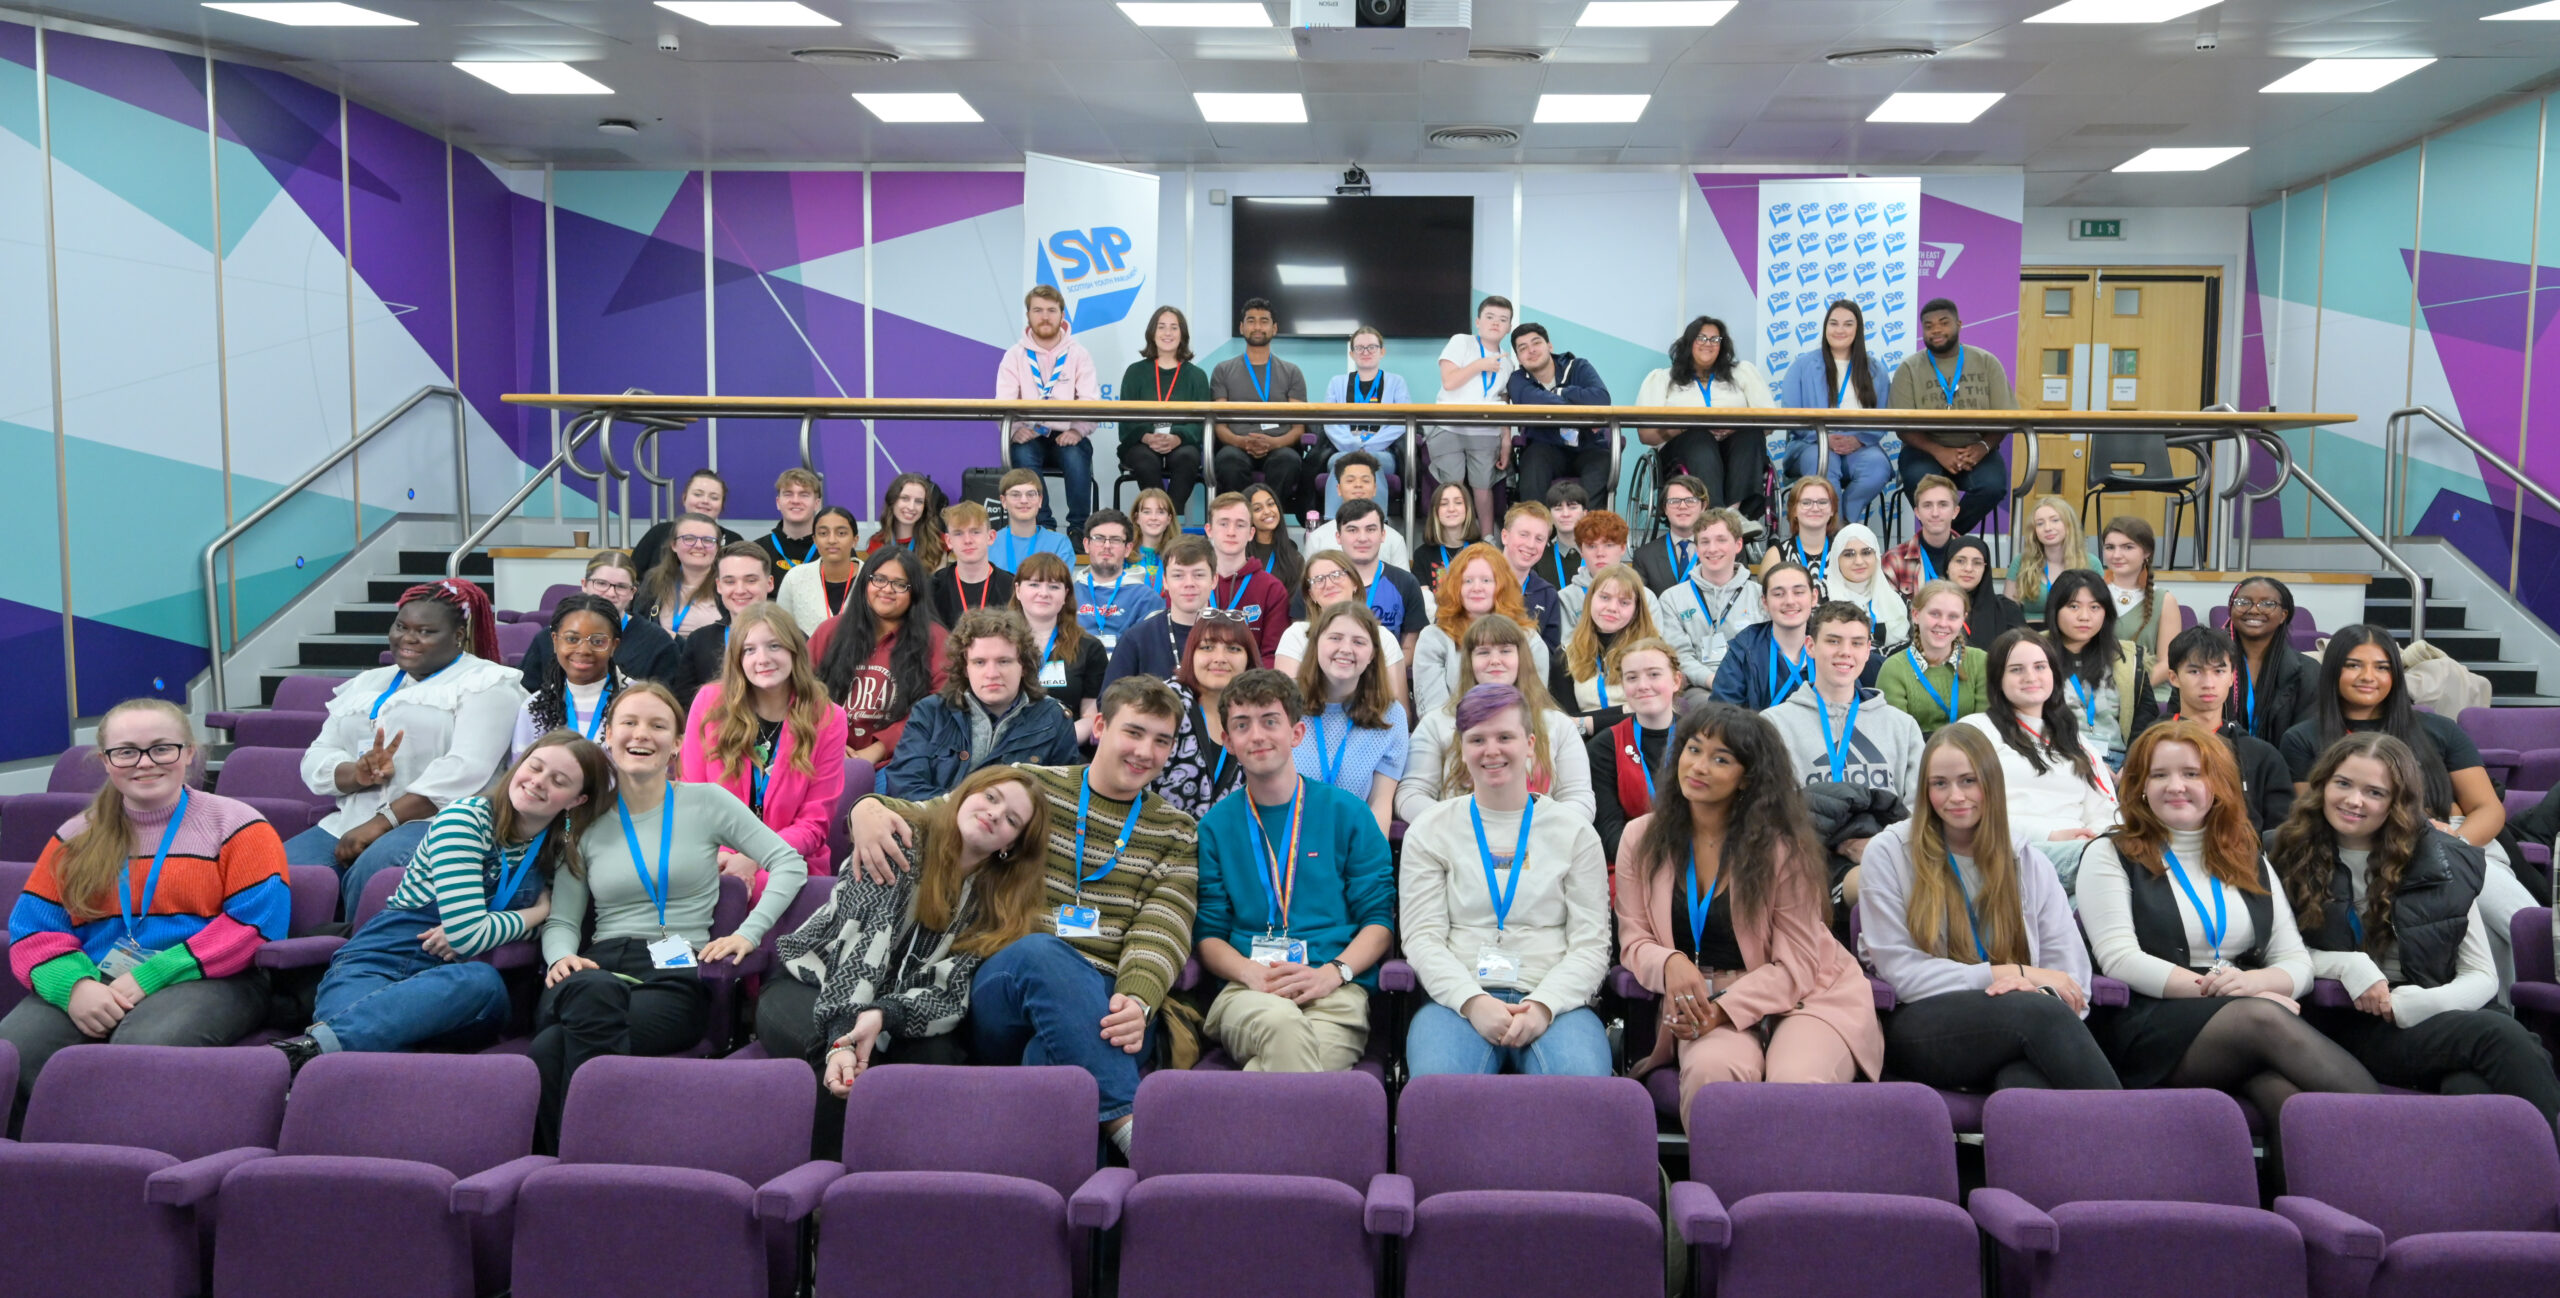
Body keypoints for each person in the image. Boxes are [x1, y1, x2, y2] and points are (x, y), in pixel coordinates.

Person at [841, 675, 1200, 1150]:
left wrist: (1137, 999)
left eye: (1161, 741)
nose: (1145, 752)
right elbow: (938, 814)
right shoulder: (1034, 791)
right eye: (1133, 732)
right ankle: (1138, 1135)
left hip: (1112, 997)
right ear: (1099, 727)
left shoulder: (1176, 829)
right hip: (1009, 982)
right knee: (1040, 952)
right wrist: (866, 806)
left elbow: (1164, 926)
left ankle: (1068, 1209)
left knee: (1048, 1059)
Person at [536, 683, 807, 1148]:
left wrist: (749, 932)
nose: (642, 734)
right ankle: (594, 1152)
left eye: (658, 725)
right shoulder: (580, 819)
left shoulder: (707, 802)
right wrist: (562, 958)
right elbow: (562, 920)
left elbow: (790, 862)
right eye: (629, 722)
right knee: (591, 994)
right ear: (609, 735)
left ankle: (566, 1159)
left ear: (677, 743)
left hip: (671, 970)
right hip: (595, 968)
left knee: (550, 1046)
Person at [2077, 721, 2376, 1130]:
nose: (2175, 786)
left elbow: (2295, 961)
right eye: (2159, 774)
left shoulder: (2246, 853)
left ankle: (2309, 1192)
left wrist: (2256, 986)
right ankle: (2401, 1136)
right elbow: (2119, 959)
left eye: (2191, 774)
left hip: (2240, 1013)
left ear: (2217, 784)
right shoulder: (2110, 853)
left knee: (2283, 1097)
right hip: (2148, 1021)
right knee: (2263, 1021)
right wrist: (2231, 997)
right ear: (2141, 786)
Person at [2, 701, 289, 1115]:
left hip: (214, 977)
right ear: (105, 761)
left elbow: (254, 926)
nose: (145, 763)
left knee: (141, 1050)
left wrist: (151, 976)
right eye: (126, 751)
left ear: (189, 753)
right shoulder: (76, 835)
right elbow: (34, 931)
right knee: (13, 1052)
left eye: (162, 748)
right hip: (97, 977)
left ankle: (116, 1165)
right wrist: (76, 988)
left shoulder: (239, 826)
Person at [2270, 734, 2560, 1124]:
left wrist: (2417, 1005)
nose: (2354, 800)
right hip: (2345, 1023)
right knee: (2503, 1038)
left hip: (2434, 1012)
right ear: (2322, 784)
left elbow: (2481, 975)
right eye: (2343, 784)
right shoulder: (2282, 852)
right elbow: (2267, 954)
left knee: (2471, 1090)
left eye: (2374, 792)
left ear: (2396, 801)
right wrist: (2345, 965)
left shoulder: (2443, 858)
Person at [274, 734, 607, 1069]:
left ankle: (309, 1054)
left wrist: (490, 928)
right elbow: (470, 934)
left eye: (558, 781)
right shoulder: (465, 819)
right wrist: (537, 912)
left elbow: (517, 933)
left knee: (479, 982)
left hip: (461, 988)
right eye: (534, 767)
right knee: (366, 1054)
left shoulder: (560, 849)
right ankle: (316, 1054)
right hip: (380, 964)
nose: (538, 782)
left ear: (576, 800)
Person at [1616, 704, 1883, 1119]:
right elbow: (1634, 939)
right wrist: (1669, 963)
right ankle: (1717, 1184)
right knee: (1711, 1075)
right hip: (1704, 1000)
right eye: (1693, 749)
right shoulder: (1640, 837)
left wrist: (1725, 1008)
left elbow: (1798, 965)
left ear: (1748, 779)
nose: (1698, 766)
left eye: (1720, 759)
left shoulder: (1781, 846)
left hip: (1808, 993)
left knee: (1794, 1082)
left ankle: (1791, 1186)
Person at [760, 764, 1051, 1145]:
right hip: (812, 984)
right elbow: (859, 948)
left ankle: (915, 1184)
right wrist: (844, 1036)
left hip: (895, 1008)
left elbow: (950, 990)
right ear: (964, 795)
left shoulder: (1003, 903)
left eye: (1012, 819)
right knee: (846, 1062)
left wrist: (886, 1015)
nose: (995, 814)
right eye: (990, 797)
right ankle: (827, 1189)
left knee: (939, 1067)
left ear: (1012, 843)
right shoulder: (899, 843)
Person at [1859, 725, 2119, 1095]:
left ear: (1992, 784)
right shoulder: (1888, 853)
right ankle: (2132, 1139)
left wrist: (2033, 988)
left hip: (2020, 1019)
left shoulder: (2027, 860)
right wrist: (2009, 975)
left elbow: (2069, 976)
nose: (1956, 796)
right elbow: (1902, 974)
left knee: (2024, 1083)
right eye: (1940, 784)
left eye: (1969, 780)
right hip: (1920, 1024)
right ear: (1924, 790)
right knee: (2039, 1017)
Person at [2280, 626, 2530, 992]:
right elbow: (2317, 815)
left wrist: (2452, 844)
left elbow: (2487, 809)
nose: (2369, 677)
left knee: (2517, 923)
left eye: (2382, 667)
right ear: (2333, 671)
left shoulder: (2439, 729)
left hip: (2458, 839)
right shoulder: (2302, 738)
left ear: (2396, 675)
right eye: (2354, 665)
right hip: (2365, 849)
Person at [1401, 684, 1613, 1077]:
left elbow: (1592, 944)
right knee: (1440, 1091)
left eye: (1505, 737)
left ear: (1530, 744)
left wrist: (1544, 1005)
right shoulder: (1430, 830)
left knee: (1580, 1092)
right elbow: (1422, 938)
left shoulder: (1574, 832)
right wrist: (1473, 1002)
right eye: (1477, 739)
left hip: (1556, 1003)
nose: (1491, 750)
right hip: (1458, 1004)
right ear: (1461, 750)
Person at [1195, 669, 1397, 1072]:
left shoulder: (1349, 814)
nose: (1257, 736)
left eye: (1270, 721)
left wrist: (1332, 973)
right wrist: (1250, 973)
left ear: (1297, 733)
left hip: (1333, 991)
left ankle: (1236, 1128)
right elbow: (1209, 935)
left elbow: (1378, 922)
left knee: (1282, 1073)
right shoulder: (1214, 827)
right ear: (1227, 741)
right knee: (1284, 1028)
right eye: (1242, 725)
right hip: (1247, 991)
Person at [289, 580, 524, 908]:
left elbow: (465, 770)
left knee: (376, 872)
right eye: (401, 626)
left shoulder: (488, 684)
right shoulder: (368, 682)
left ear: (458, 636)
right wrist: (357, 773)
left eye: (426, 631)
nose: (408, 638)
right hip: (350, 819)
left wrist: (379, 824)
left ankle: (358, 955)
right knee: (284, 874)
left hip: (435, 824)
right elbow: (318, 753)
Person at [679, 603, 849, 885]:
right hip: (714, 857)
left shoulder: (828, 718)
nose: (762, 659)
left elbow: (813, 824)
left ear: (795, 651)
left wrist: (754, 857)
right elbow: (691, 802)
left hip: (790, 862)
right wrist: (727, 859)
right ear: (737, 659)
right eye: (749, 650)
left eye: (774, 646)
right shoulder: (709, 704)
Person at [1958, 629, 2119, 889]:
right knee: (2112, 868)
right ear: (1997, 678)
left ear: (2054, 674)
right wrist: (2050, 835)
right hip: (2010, 853)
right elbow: (1967, 812)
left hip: (2082, 855)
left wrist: (2098, 838)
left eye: (2040, 667)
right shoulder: (1976, 731)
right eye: (2016, 669)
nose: (2030, 677)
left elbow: (2105, 810)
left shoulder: (2074, 739)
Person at [1399, 613, 1596, 825]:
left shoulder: (1558, 725)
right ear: (1469, 662)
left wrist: (1537, 827)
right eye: (1483, 652)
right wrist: (1458, 825)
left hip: (1540, 845)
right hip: (1460, 844)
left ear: (1522, 658)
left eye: (1505, 650)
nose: (1495, 660)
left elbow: (1579, 799)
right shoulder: (1436, 723)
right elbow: (1410, 796)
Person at [883, 607, 1082, 800]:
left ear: (1024, 666)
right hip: (934, 827)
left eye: (1004, 661)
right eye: (979, 662)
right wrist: (961, 816)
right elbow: (904, 786)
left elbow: (1060, 801)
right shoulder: (930, 712)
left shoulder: (1054, 719)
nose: (992, 674)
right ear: (964, 668)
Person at [1763, 602, 1925, 803]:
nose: (1845, 652)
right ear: (1810, 646)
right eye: (1833, 641)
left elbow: (1917, 811)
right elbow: (1769, 807)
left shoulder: (1902, 727)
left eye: (1856, 643)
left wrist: (1886, 837)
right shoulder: (1774, 725)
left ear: (1867, 651)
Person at [1887, 298, 2019, 533]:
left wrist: (1982, 447)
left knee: (1993, 486)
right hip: (1925, 449)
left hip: (1978, 448)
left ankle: (1946, 537)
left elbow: (2006, 418)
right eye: (1928, 326)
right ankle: (1944, 540)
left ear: (1959, 324)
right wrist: (1939, 451)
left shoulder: (1987, 362)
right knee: (1918, 482)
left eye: (1943, 323)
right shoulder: (1909, 369)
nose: (1936, 330)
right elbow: (1902, 428)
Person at [811, 548, 947, 768]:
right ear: (866, 582)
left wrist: (879, 749)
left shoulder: (936, 640)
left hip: (899, 762)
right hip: (825, 753)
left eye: (900, 584)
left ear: (915, 593)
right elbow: (801, 692)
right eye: (879, 579)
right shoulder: (830, 632)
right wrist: (826, 740)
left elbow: (939, 708)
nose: (887, 590)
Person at [1636, 316, 1776, 522]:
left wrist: (1733, 427)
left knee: (1751, 432)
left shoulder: (1743, 373)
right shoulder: (1663, 378)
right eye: (1701, 338)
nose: (1708, 344)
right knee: (1699, 436)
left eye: (1714, 340)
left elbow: (1770, 422)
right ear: (1688, 342)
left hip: (1735, 450)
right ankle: (1714, 514)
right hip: (1684, 451)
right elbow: (1646, 435)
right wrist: (1687, 427)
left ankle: (1734, 514)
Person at [1289, 602, 1409, 834]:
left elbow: (1379, 804)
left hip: (1350, 846)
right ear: (1316, 644)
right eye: (1335, 638)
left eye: (1358, 642)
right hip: (1287, 844)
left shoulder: (1390, 714)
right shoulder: (1284, 703)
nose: (1346, 649)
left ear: (1373, 654)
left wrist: (1374, 866)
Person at [2164, 626, 2295, 832]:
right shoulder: (2151, 747)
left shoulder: (2262, 756)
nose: (2208, 683)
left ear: (2232, 677)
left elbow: (2280, 833)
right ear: (2174, 678)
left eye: (2218, 671)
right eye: (2195, 671)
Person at [1778, 300, 1897, 524]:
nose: (1840, 330)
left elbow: (1883, 416)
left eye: (1848, 324)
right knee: (1823, 462)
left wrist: (1859, 440)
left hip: (1859, 446)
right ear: (1825, 328)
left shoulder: (1875, 370)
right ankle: (1836, 530)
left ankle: (1844, 520)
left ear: (1858, 330)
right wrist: (1824, 439)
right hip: (1811, 444)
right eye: (1833, 323)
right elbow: (1791, 414)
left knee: (1877, 467)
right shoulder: (1802, 366)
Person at [997, 284, 1100, 535]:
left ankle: (1079, 530)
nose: (1045, 317)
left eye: (1051, 310)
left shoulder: (1079, 354)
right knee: (1021, 452)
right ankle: (1042, 526)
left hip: (1067, 434)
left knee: (1075, 455)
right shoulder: (1014, 355)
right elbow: (1002, 403)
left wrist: (1077, 431)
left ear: (1062, 315)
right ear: (1028, 315)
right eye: (1038, 310)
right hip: (1030, 434)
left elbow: (1091, 402)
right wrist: (1014, 430)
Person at [1412, 542, 1553, 716]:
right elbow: (1433, 715)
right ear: (1456, 587)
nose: (1476, 588)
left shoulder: (1529, 640)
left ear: (1501, 586)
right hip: (1451, 738)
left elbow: (1534, 710)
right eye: (1467, 581)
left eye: (1486, 580)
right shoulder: (1433, 638)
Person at [516, 550, 680, 689]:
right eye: (601, 583)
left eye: (621, 586)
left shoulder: (657, 643)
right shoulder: (549, 638)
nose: (610, 593)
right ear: (584, 584)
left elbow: (667, 702)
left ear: (632, 593)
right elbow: (526, 693)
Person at [1586, 637, 1684, 868]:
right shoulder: (1604, 747)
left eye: (1654, 674)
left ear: (1676, 680)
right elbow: (1609, 830)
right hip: (1633, 862)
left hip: (1695, 863)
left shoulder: (1703, 738)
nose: (1642, 685)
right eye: (1632, 678)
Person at [2045, 568, 2158, 769]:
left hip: (2118, 762)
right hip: (2057, 760)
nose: (2084, 616)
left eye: (2095, 607)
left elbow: (2146, 719)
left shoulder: (2126, 658)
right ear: (2055, 609)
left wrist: (2130, 768)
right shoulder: (2034, 652)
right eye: (2073, 607)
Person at [1155, 613, 1262, 818]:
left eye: (1233, 648)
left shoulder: (1254, 718)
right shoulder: (1164, 703)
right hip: (1159, 841)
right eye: (1207, 647)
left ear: (1248, 659)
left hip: (1223, 844)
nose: (1220, 659)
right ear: (1190, 654)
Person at [1209, 299, 1311, 508]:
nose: (1257, 327)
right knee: (1228, 462)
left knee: (1288, 461)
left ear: (1274, 328)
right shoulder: (1223, 370)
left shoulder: (1292, 372)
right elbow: (1219, 426)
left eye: (1264, 321)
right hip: (1235, 445)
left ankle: (1270, 525)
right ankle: (1240, 523)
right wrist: (1241, 442)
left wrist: (1274, 443)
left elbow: (1298, 428)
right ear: (1241, 327)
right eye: (1251, 321)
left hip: (1279, 445)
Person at [1506, 322, 1614, 506]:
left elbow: (1601, 399)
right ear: (1519, 359)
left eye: (1536, 343)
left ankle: (1588, 531)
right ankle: (1537, 530)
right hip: (1546, 447)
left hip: (1587, 445)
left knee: (1603, 460)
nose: (1531, 350)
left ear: (1549, 346)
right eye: (1523, 348)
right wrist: (1582, 411)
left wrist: (1561, 392)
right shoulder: (1517, 379)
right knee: (1533, 459)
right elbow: (1535, 401)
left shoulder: (1578, 366)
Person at [1654, 506, 1762, 690]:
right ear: (1696, 548)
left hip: (1751, 685)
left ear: (1738, 545)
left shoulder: (1759, 595)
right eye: (1704, 542)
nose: (1712, 549)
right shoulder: (1672, 599)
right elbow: (1680, 656)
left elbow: (1765, 651)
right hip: (1698, 688)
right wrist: (1713, 680)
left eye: (1721, 540)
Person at [1432, 296, 1517, 529]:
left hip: (1486, 432)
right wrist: (1479, 365)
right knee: (1452, 487)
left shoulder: (1509, 363)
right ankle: (1451, 538)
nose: (1496, 323)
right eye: (1490, 317)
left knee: (1483, 487)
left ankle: (1487, 539)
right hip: (1449, 426)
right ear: (1478, 322)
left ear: (1509, 327)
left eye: (1503, 319)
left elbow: (1504, 402)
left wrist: (1506, 439)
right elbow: (1449, 381)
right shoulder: (1461, 342)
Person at [1274, 551, 1408, 696]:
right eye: (1318, 580)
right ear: (1311, 595)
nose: (1329, 584)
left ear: (1355, 583)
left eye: (1337, 575)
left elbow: (1399, 707)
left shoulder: (1384, 638)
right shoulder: (1296, 635)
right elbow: (1287, 704)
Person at [1118, 305, 1210, 516]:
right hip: (1142, 444)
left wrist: (1178, 437)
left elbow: (1201, 423)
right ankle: (1159, 520)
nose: (1167, 333)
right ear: (1152, 333)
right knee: (1145, 460)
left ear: (1182, 334)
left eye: (1174, 328)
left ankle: (1170, 522)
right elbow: (1126, 423)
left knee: (1187, 457)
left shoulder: (1197, 376)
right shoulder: (1135, 372)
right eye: (1161, 327)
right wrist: (1147, 437)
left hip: (1183, 445)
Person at [1557, 563, 1667, 736]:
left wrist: (1586, 722)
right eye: (1605, 597)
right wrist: (1625, 710)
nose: (1612, 608)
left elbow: (1654, 711)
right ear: (1590, 599)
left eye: (1624, 602)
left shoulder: (1653, 651)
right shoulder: (1566, 653)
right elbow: (1565, 722)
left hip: (1641, 740)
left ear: (1636, 609)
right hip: (1586, 747)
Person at [513, 594, 626, 761]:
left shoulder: (636, 701)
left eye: (597, 641)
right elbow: (521, 771)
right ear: (555, 641)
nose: (583, 650)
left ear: (613, 646)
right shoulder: (535, 708)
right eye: (572, 639)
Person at [666, 542, 776, 709]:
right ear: (719, 586)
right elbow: (684, 706)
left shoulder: (792, 639)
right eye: (730, 581)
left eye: (751, 580)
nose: (740, 590)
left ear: (769, 583)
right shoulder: (700, 641)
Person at [1016, 553, 1111, 744]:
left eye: (1053, 586)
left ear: (1066, 594)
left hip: (1064, 745)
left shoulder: (1089, 648)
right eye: (1034, 584)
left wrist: (1056, 741)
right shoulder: (999, 643)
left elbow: (1090, 714)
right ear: (1018, 590)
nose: (1043, 593)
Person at [1878, 580, 1986, 737]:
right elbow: (1896, 737)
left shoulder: (1981, 662)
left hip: (1971, 754)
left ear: (1963, 619)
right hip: (1915, 757)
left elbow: (1986, 729)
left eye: (1953, 616)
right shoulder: (1894, 669)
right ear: (1915, 615)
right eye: (1934, 614)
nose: (1943, 623)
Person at [1106, 534, 1215, 688]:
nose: (1189, 583)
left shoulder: (1234, 634)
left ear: (1214, 580)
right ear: (1165, 581)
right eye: (1178, 575)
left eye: (1199, 575)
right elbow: (1109, 700)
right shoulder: (1136, 639)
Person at [1320, 328, 1411, 511]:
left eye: (1371, 347)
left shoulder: (1396, 382)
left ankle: (1378, 525)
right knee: (1340, 463)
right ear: (1352, 353)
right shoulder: (1336, 382)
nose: (1366, 352)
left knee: (1372, 461)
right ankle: (1333, 524)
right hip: (1343, 449)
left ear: (1382, 351)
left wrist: (1369, 447)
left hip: (1383, 451)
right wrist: (1354, 445)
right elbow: (1330, 421)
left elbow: (1402, 422)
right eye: (1360, 348)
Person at [1709, 563, 1819, 711]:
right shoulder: (1743, 651)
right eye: (1778, 594)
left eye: (1799, 592)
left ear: (1813, 597)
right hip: (1757, 733)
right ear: (1765, 602)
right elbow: (1721, 714)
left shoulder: (1832, 647)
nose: (1790, 601)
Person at [1332, 499, 1430, 666]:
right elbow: (1304, 640)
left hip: (1386, 680)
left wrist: (1379, 675)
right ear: (1338, 537)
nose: (1362, 538)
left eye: (1370, 529)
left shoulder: (1406, 583)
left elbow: (1409, 648)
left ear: (1383, 535)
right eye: (1352, 530)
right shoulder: (1321, 582)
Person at [2225, 576, 2315, 745]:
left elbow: (2307, 741)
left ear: (2283, 615)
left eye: (2267, 604)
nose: (2254, 610)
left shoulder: (2308, 672)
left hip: (2282, 767)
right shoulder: (2208, 666)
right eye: (2243, 602)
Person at [1203, 492, 1292, 662]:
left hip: (1250, 685)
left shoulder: (1272, 589)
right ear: (1209, 530)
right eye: (1223, 523)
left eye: (1240, 525)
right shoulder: (1192, 583)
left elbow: (1272, 656)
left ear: (1251, 533)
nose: (1231, 532)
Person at [1555, 508, 1663, 638]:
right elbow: (1566, 649)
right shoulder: (1566, 598)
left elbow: (1653, 645)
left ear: (1623, 548)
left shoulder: (1645, 596)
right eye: (1591, 546)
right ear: (1581, 551)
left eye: (1609, 545)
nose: (1600, 553)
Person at [2100, 516, 2178, 687]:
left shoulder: (2164, 600)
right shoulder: (2091, 593)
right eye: (2110, 547)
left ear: (2147, 552)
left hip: (2149, 695)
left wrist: (2131, 692)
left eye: (2128, 547)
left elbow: (2167, 663)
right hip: (2098, 694)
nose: (2117, 555)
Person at [1300, 452, 1414, 569]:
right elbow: (1307, 583)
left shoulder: (1394, 539)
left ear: (1374, 489)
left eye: (1365, 480)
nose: (1358, 485)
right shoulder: (1318, 538)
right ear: (1339, 489)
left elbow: (1403, 585)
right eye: (1350, 480)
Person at [1073, 509, 1163, 653]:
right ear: (1086, 544)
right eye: (1099, 538)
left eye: (1115, 540)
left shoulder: (1147, 599)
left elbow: (1151, 654)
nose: (1107, 545)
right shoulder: (1067, 595)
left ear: (1128, 548)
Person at [628, 469, 741, 582]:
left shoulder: (734, 541)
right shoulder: (659, 533)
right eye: (698, 494)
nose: (705, 501)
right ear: (684, 498)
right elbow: (632, 578)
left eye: (714, 497)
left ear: (722, 505)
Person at [634, 511, 724, 641]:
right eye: (689, 539)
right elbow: (639, 629)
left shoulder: (730, 585)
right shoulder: (654, 581)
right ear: (674, 545)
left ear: (717, 547)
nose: (699, 545)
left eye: (708, 540)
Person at [1822, 523, 1909, 656]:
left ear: (1876, 557)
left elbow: (1910, 647)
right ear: (1836, 559)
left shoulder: (1898, 601)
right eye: (1849, 554)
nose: (1858, 561)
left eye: (1866, 552)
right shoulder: (1822, 600)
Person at [775, 505, 863, 636]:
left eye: (841, 533)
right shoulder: (795, 578)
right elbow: (780, 631)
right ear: (815, 540)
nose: (832, 540)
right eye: (823, 533)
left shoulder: (872, 577)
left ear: (855, 540)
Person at [928, 501, 1014, 627]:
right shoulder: (933, 587)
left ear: (991, 537)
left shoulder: (1011, 586)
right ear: (948, 541)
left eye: (975, 532)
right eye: (958, 533)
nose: (967, 540)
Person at [2008, 495, 2092, 623]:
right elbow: (2009, 612)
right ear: (2034, 531)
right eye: (2040, 523)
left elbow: (2098, 609)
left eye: (2055, 520)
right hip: (2031, 634)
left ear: (2069, 524)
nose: (2047, 528)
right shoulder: (2020, 562)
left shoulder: (2090, 562)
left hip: (2075, 633)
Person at [1497, 502, 1568, 651]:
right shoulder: (1476, 582)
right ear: (1505, 536)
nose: (1530, 544)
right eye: (1524, 535)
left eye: (1539, 539)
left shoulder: (1548, 594)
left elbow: (1550, 653)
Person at [1756, 476, 1845, 594]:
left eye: (1822, 502)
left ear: (1832, 510)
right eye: (1806, 503)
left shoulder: (1844, 551)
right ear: (1794, 510)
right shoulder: (1775, 555)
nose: (1815, 508)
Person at [1881, 475, 1963, 596]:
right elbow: (1886, 612)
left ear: (1955, 512)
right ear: (1917, 513)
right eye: (1927, 505)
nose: (1935, 513)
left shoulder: (1971, 557)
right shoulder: (1893, 559)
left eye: (1943, 505)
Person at [1631, 474, 1710, 594]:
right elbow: (1639, 605)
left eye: (1691, 500)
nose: (1682, 506)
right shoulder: (1644, 556)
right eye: (1674, 501)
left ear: (1703, 506)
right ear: (1665, 508)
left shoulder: (1723, 550)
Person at [990, 468, 1078, 573]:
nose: (1024, 500)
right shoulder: (989, 543)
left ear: (1040, 500)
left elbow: (1056, 586)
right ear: (1004, 501)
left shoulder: (1060, 544)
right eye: (1015, 495)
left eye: (1030, 494)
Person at [1947, 536, 2025, 650]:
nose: (1968, 568)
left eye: (1977, 563)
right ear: (1947, 566)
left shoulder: (2007, 610)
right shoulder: (1932, 608)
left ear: (1985, 569)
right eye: (1960, 561)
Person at [865, 471, 949, 571]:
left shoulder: (939, 542)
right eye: (905, 498)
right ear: (892, 501)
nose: (911, 507)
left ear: (925, 507)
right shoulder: (877, 542)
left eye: (919, 501)